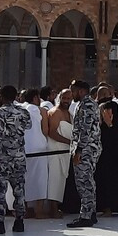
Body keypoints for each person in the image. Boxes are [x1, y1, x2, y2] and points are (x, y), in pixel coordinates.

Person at [0, 86, 30, 234]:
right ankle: (19, 221)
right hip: (19, 155)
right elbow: (28, 126)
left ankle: (0, 222)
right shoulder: (23, 112)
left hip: (3, 156)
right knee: (19, 188)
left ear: (1, 97)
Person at [67, 80, 103, 229]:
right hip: (88, 148)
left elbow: (86, 130)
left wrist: (79, 150)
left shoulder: (87, 105)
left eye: (74, 91)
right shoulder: (85, 104)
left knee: (84, 182)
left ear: (82, 91)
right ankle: (90, 212)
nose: (72, 94)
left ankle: (86, 215)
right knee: (87, 181)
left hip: (86, 149)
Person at [95, 101, 118, 216]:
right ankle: (117, 205)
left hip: (117, 159)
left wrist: (109, 125)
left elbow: (117, 140)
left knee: (113, 183)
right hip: (111, 159)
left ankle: (111, 207)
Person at [20, 89, 50, 219]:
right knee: (40, 179)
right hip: (39, 148)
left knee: (24, 178)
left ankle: (26, 209)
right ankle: (39, 210)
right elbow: (45, 130)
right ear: (35, 98)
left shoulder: (20, 109)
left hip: (24, 147)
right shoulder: (41, 110)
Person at [44, 89, 73, 218]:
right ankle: (52, 209)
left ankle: (60, 206)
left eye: (69, 98)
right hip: (55, 149)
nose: (66, 101)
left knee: (61, 179)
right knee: (54, 179)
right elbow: (52, 132)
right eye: (64, 98)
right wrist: (69, 142)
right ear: (59, 98)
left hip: (66, 151)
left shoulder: (69, 113)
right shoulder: (55, 112)